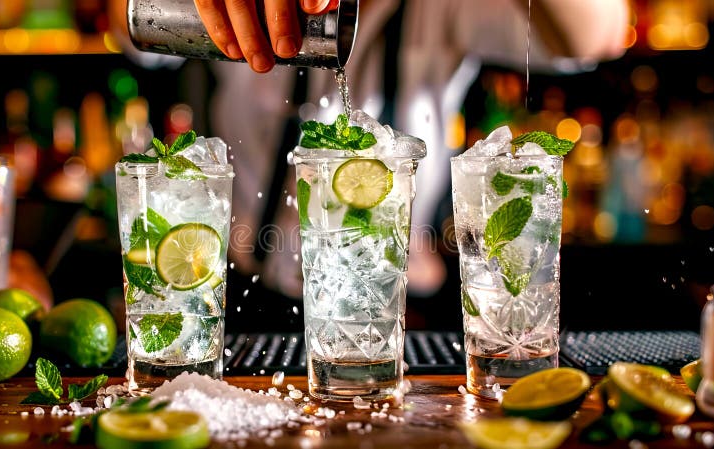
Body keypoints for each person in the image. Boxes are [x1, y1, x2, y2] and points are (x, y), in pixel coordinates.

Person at [108, 0, 629, 329]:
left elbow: (594, 34)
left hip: (402, 308)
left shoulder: (442, 7)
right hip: (248, 299)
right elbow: (127, 21)